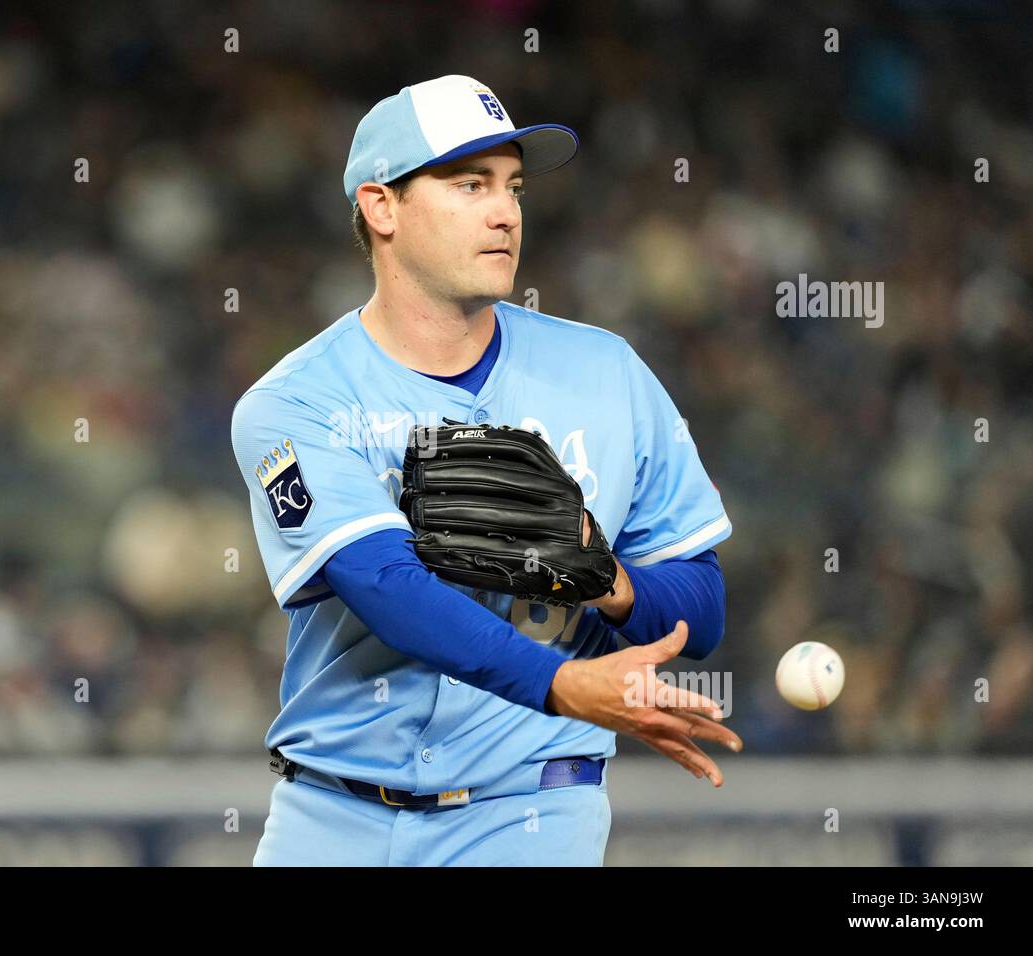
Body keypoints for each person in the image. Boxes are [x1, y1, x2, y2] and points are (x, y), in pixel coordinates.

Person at [230, 75, 742, 866]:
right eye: (469, 184)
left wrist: (604, 577)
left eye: (513, 187)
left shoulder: (607, 373)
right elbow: (389, 591)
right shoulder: (293, 403)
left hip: (530, 814)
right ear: (381, 207)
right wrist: (568, 686)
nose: (506, 212)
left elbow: (701, 611)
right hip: (330, 817)